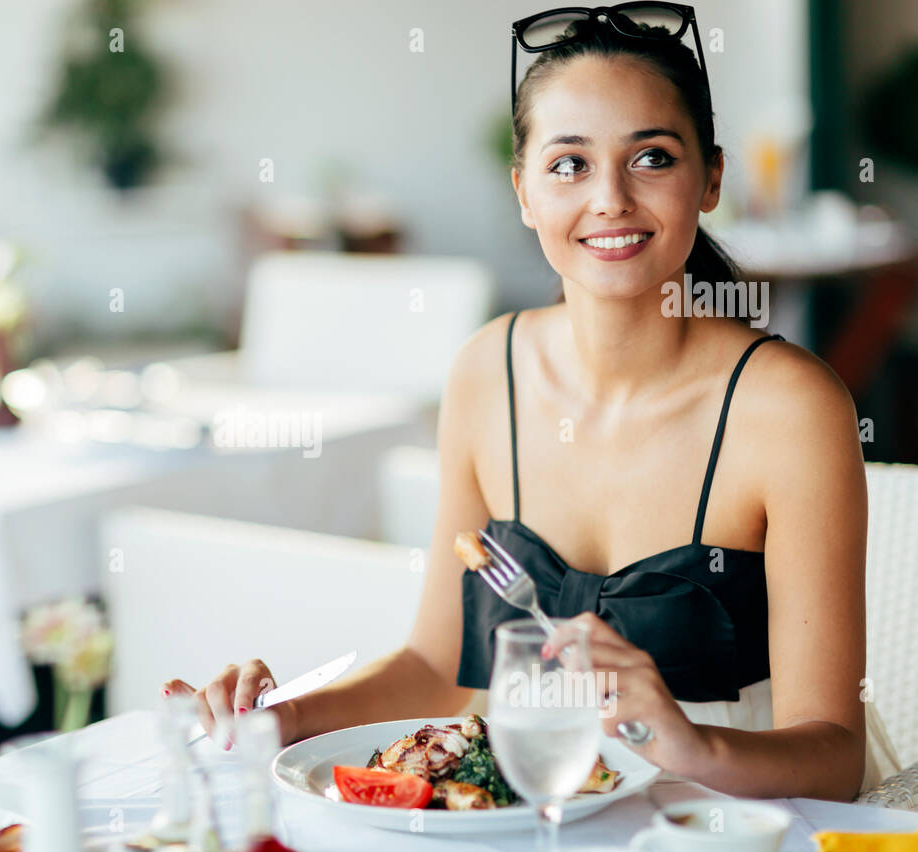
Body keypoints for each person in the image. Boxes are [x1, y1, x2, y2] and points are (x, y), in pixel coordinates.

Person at [164, 8, 901, 800]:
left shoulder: (789, 409)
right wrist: (279, 718)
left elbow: (831, 759)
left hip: (728, 829)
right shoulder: (487, 372)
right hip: (527, 816)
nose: (610, 198)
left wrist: (684, 743)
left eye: (651, 157)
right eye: (569, 165)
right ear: (523, 190)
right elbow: (435, 668)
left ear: (712, 177)